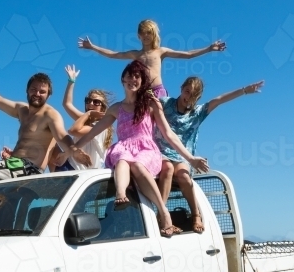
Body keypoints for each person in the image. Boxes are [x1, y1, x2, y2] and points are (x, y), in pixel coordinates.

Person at [74, 61, 209, 238]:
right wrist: (71, 150)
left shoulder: (151, 104)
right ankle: (121, 194)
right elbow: (93, 132)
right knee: (122, 158)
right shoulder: (116, 109)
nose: (133, 79)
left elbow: (168, 134)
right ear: (123, 79)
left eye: (137, 76)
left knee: (137, 165)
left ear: (142, 81)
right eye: (129, 76)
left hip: (146, 149)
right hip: (125, 148)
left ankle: (163, 212)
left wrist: (190, 159)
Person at [155, 77, 264, 233]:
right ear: (181, 88)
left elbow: (218, 100)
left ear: (198, 98)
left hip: (183, 156)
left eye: (194, 96)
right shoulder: (165, 103)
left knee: (184, 177)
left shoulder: (197, 113)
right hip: (161, 151)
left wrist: (245, 90)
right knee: (167, 170)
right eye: (187, 92)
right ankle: (162, 215)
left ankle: (195, 215)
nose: (188, 98)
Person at [0, 66, 91, 177]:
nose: (37, 94)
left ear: (49, 94)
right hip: (14, 164)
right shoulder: (21, 110)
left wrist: (74, 151)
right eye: (34, 90)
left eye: (42, 91)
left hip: (29, 168)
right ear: (27, 90)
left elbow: (61, 136)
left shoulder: (51, 115)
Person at [77, 19, 226, 99]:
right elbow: (113, 54)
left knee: (161, 126)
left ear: (154, 34)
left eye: (149, 33)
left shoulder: (161, 51)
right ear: (138, 36)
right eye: (143, 33)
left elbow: (187, 55)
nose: (146, 36)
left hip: (158, 91)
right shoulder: (136, 54)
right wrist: (93, 47)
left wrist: (209, 48)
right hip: (142, 93)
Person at [50, 64, 113, 171]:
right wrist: (71, 81)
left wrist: (88, 114)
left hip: (80, 172)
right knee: (49, 138)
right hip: (69, 163)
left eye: (96, 102)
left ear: (103, 108)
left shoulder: (102, 126)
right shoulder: (85, 119)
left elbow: (73, 131)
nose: (91, 104)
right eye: (88, 101)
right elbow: (66, 104)